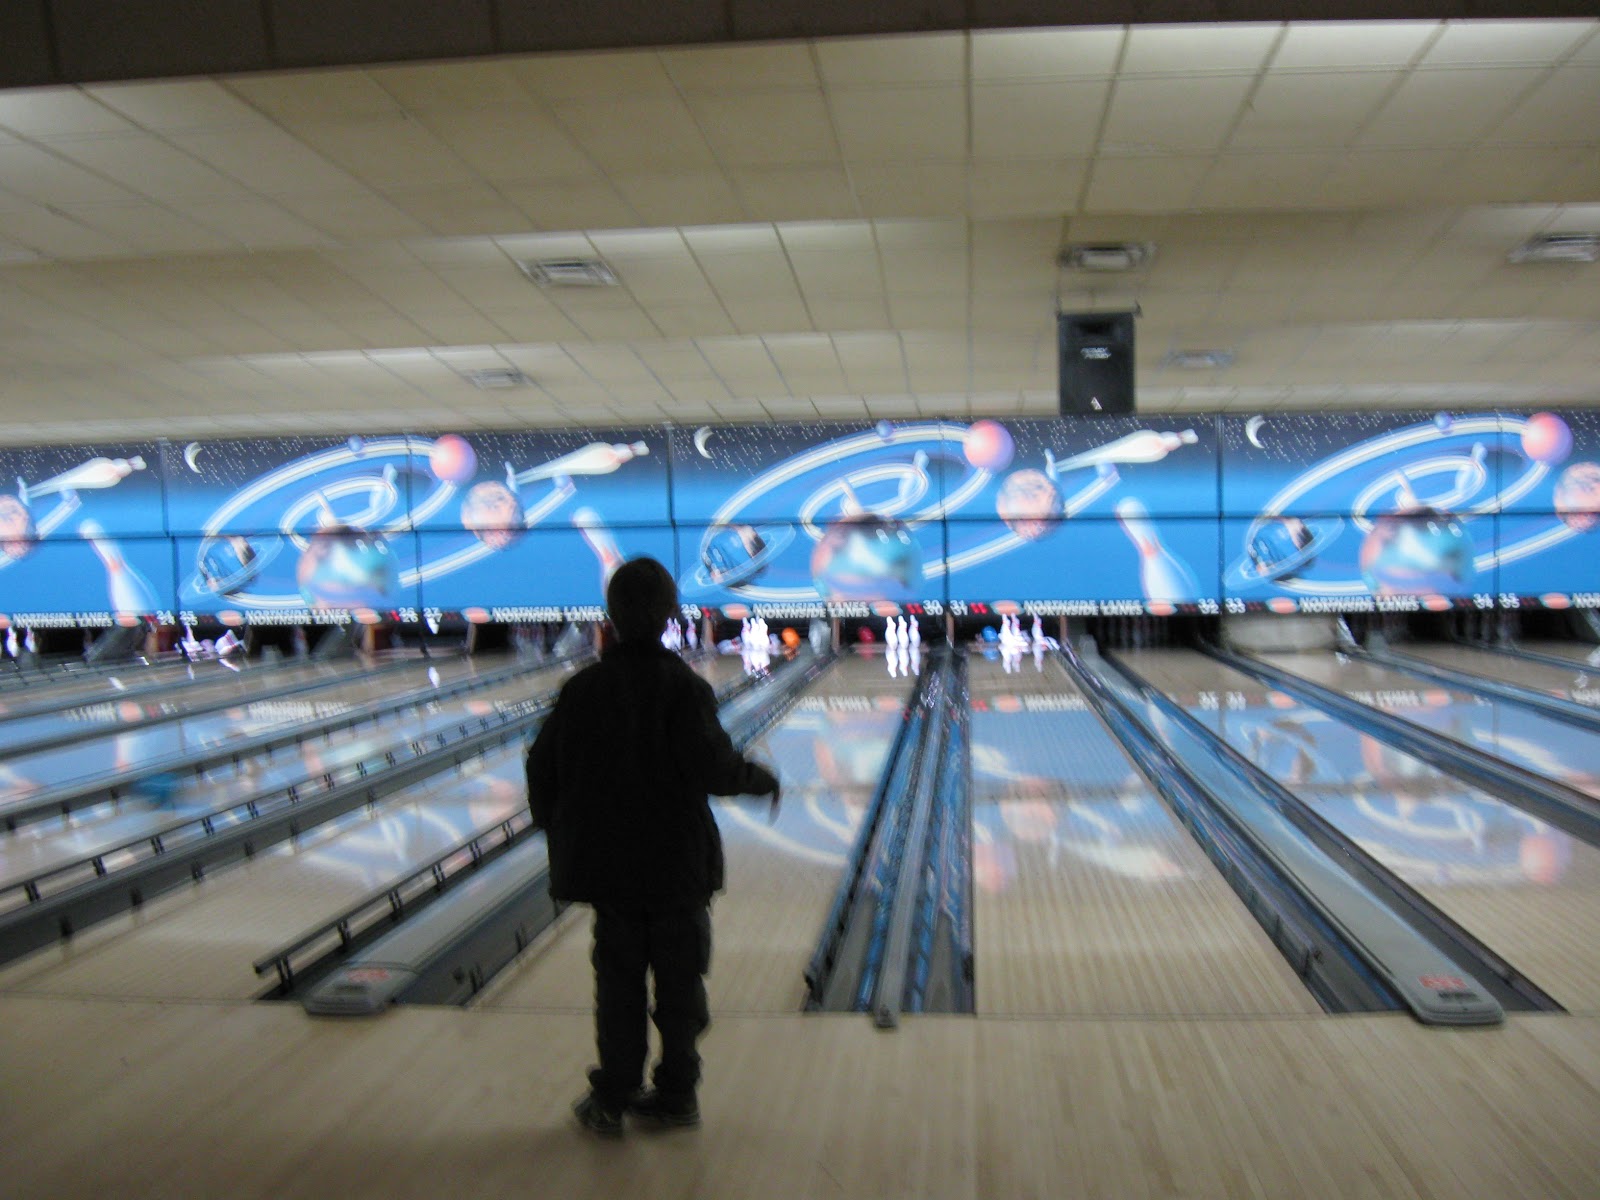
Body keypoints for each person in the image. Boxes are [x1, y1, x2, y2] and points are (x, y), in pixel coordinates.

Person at [526, 556, 780, 1138]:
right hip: (677, 868)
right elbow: (714, 768)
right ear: (672, 614)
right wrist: (759, 779)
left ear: (609, 615)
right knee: (680, 982)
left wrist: (558, 828)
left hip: (610, 869)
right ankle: (677, 1093)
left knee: (618, 984)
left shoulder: (582, 690)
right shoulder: (684, 688)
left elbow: (541, 766)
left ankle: (613, 1094)